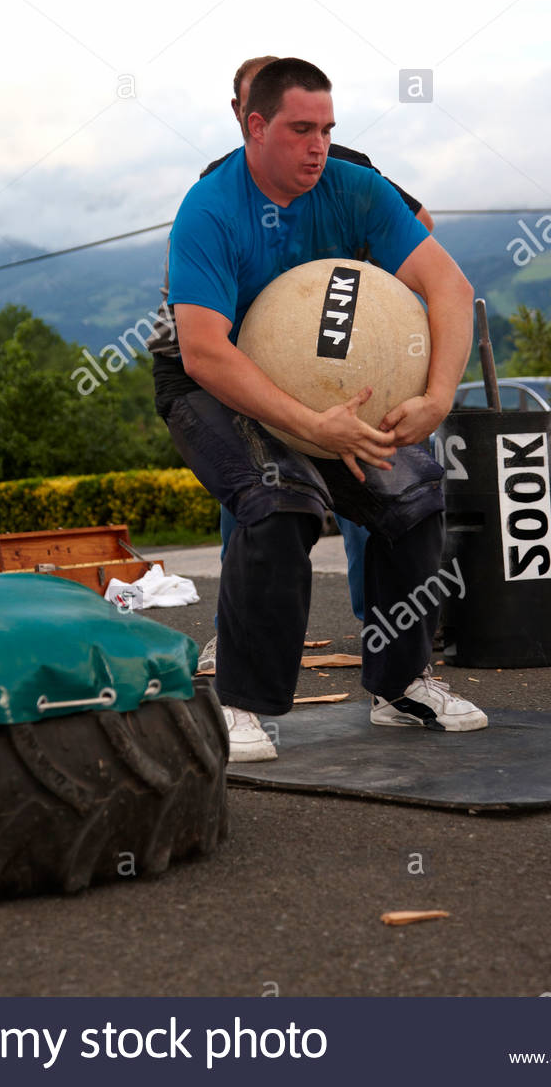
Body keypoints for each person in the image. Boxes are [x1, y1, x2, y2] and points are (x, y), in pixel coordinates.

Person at [153, 57, 486, 761]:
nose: (318, 145)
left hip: (324, 387)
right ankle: (238, 704)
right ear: (254, 126)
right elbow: (205, 351)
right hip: (212, 381)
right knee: (280, 503)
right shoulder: (210, 208)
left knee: (415, 496)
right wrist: (309, 431)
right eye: (301, 129)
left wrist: (435, 397)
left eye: (327, 129)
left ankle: (402, 688)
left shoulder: (354, 188)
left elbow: (450, 288)